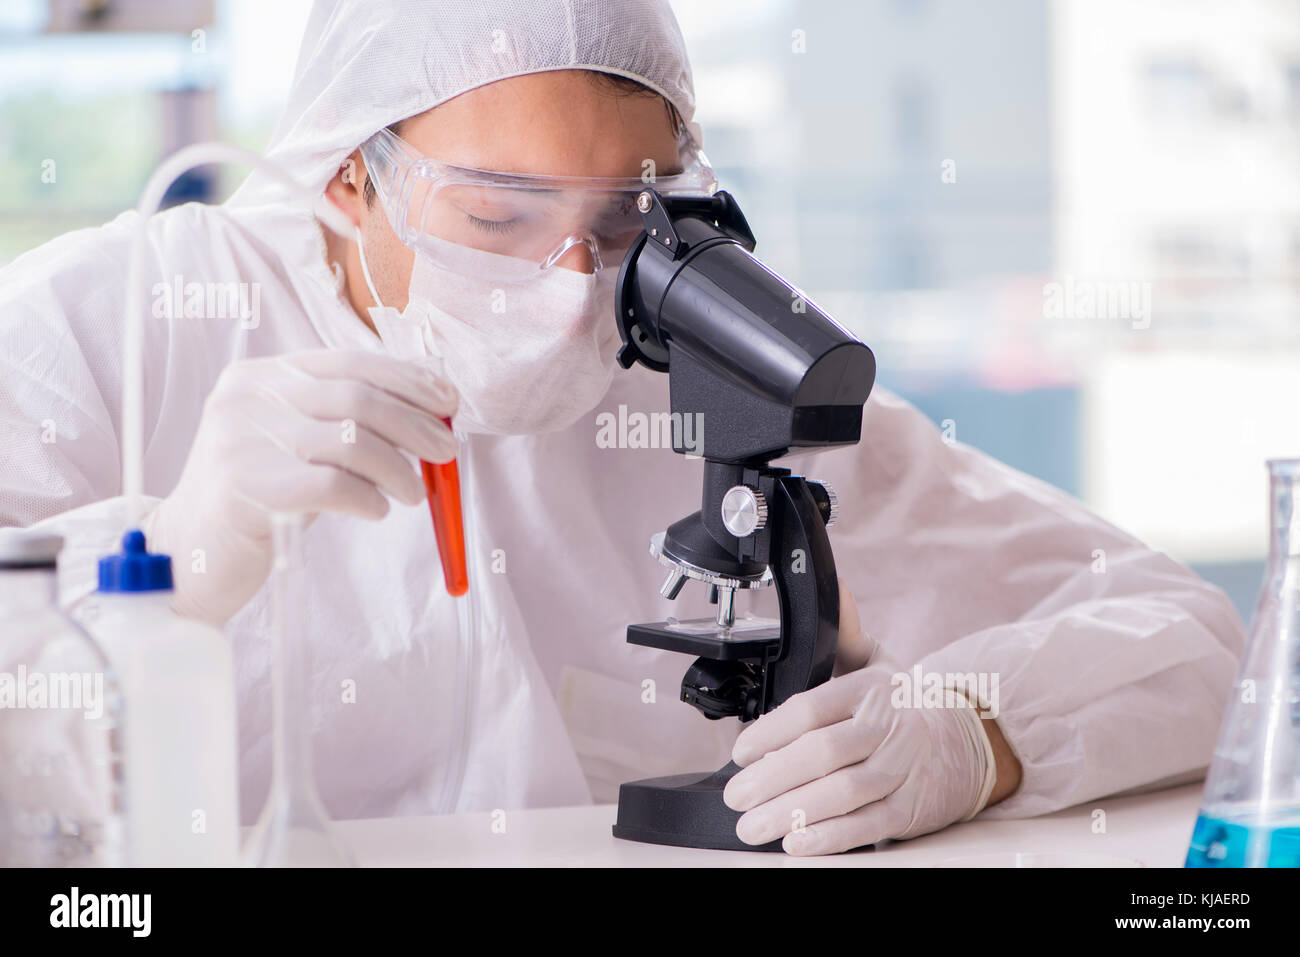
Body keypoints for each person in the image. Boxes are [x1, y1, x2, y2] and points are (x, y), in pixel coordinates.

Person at [0, 0, 1243, 855]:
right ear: (345, 176)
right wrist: (175, 558)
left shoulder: (709, 382)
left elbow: (1196, 646)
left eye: (623, 222)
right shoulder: (121, 323)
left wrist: (982, 731)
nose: (563, 283)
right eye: (496, 220)